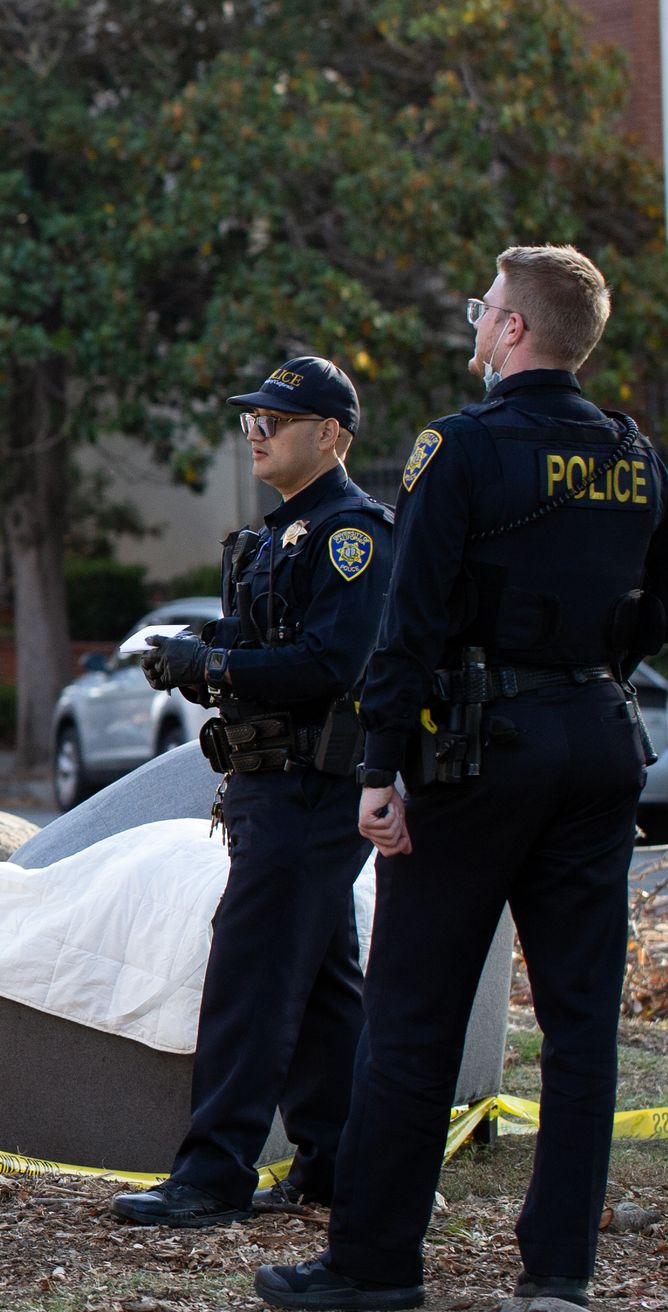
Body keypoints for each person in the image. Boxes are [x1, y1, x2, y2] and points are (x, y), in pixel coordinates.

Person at [256, 245, 668, 1312]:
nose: (474, 323)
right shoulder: (634, 454)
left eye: (483, 309)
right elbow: (666, 611)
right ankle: (558, 1265)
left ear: (513, 331)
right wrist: (581, 672)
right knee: (580, 1019)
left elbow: (409, 622)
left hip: (478, 753)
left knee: (411, 1009)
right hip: (596, 740)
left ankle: (372, 1259)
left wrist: (378, 765)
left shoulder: (460, 446)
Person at [108, 356, 392, 1230]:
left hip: (312, 782)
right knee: (319, 980)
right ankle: (339, 1160)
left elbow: (329, 662)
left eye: (280, 417)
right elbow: (264, 634)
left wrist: (217, 663)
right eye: (251, 418)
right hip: (271, 784)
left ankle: (214, 1172)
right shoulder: (276, 534)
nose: (258, 431)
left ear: (333, 434)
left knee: (251, 970)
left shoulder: (353, 534)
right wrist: (193, 647)